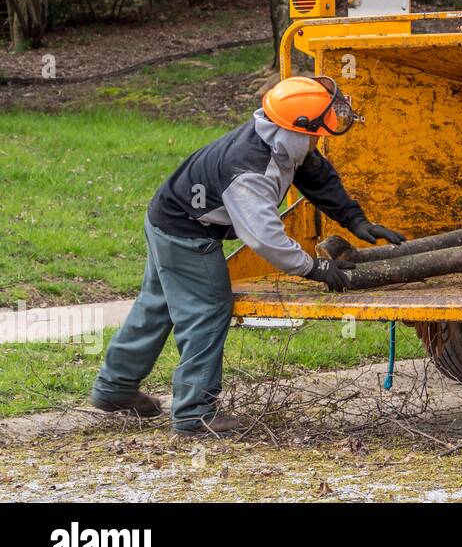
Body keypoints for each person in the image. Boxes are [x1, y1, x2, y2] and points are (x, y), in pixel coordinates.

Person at [89, 75, 405, 436]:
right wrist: (314, 268)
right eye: (317, 132)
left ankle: (114, 387)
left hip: (169, 215)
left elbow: (315, 175)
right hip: (186, 230)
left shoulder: (283, 139)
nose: (319, 139)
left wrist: (354, 219)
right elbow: (265, 239)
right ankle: (194, 414)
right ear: (298, 128)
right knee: (207, 309)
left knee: (157, 305)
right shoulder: (250, 173)